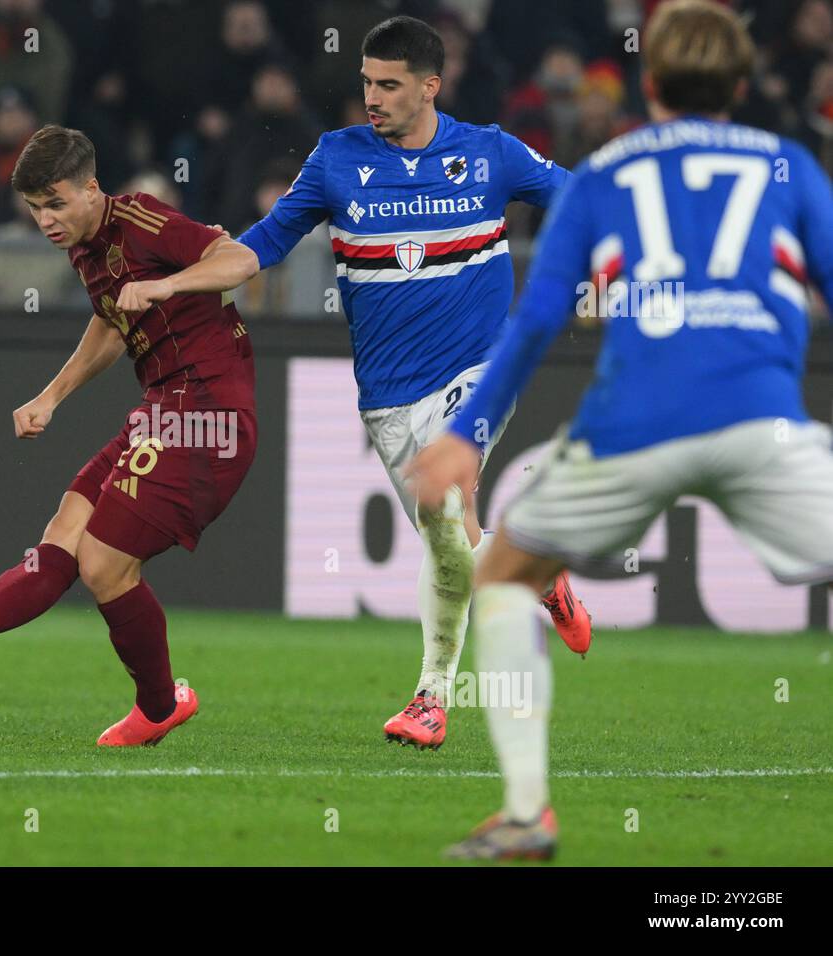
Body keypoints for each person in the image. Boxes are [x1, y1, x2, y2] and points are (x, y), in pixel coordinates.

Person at [407, 0, 833, 859]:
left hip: (629, 427)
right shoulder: (788, 164)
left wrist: (467, 432)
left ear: (649, 80)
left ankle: (527, 815)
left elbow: (533, 321)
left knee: (501, 578)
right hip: (762, 426)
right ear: (743, 85)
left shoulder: (604, 174)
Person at [113, 14, 592, 753]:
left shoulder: (491, 154)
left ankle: (431, 701)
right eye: (367, 81)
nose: (372, 96)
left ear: (431, 86)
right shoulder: (337, 159)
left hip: (479, 369)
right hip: (388, 398)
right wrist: (170, 285)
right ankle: (530, 568)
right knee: (447, 546)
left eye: (390, 85)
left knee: (443, 508)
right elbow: (256, 251)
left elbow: (583, 202)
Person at [0, 125, 258, 747]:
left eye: (56, 203)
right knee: (64, 535)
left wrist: (165, 283)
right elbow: (110, 325)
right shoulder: (84, 246)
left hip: (207, 417)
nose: (46, 220)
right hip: (163, 408)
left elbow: (239, 259)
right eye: (34, 209)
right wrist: (51, 396)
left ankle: (159, 706)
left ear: (92, 188)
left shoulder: (142, 219)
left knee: (104, 565)